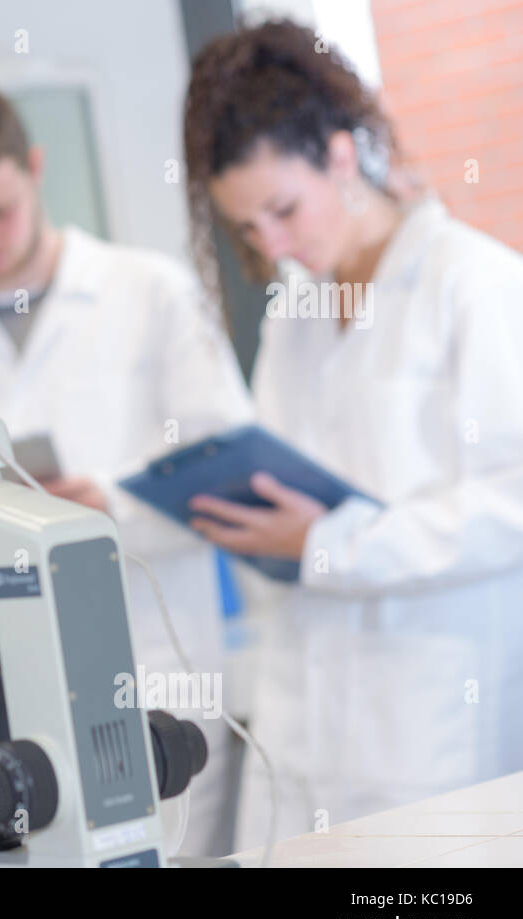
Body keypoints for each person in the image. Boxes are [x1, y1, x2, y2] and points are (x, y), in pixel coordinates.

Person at [182, 19, 523, 849]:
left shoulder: (474, 287)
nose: (274, 245)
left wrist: (338, 542)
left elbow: (512, 502)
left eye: (283, 210)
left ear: (341, 154)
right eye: (248, 230)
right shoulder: (296, 317)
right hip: (303, 730)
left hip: (432, 730)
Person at [0, 88, 253, 857]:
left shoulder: (150, 291)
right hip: (24, 681)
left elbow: (227, 462)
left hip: (163, 668)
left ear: (34, 169)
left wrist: (108, 500)